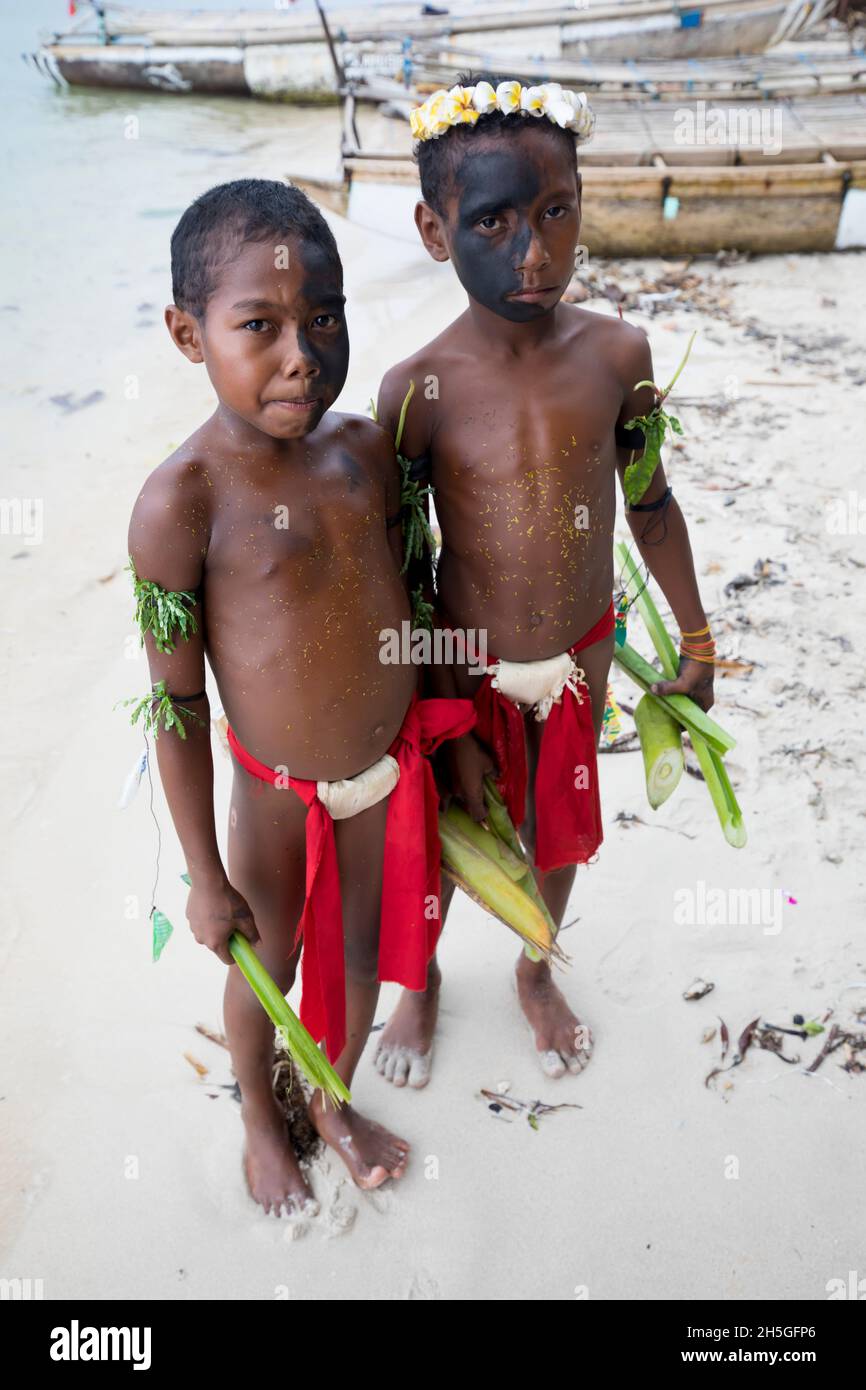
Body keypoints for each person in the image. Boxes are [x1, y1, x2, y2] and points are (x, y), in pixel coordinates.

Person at [127, 179, 473, 1214]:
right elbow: (179, 709)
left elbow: (412, 592)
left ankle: (329, 1096)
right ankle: (253, 1115)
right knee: (264, 960)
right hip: (277, 799)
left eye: (324, 318)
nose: (301, 354)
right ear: (189, 335)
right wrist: (199, 872)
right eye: (259, 326)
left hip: (384, 770)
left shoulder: (364, 450)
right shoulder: (180, 503)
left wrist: (449, 732)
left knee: (359, 953)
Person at [374, 78, 715, 1088]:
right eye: (494, 221)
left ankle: (533, 967)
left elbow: (648, 504)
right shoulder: (416, 390)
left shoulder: (617, 354)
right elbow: (405, 568)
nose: (533, 250)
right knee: (439, 836)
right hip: (463, 672)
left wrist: (695, 641)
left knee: (555, 829)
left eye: (555, 211)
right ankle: (420, 980)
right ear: (436, 231)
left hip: (579, 659)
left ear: (579, 202)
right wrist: (440, 702)